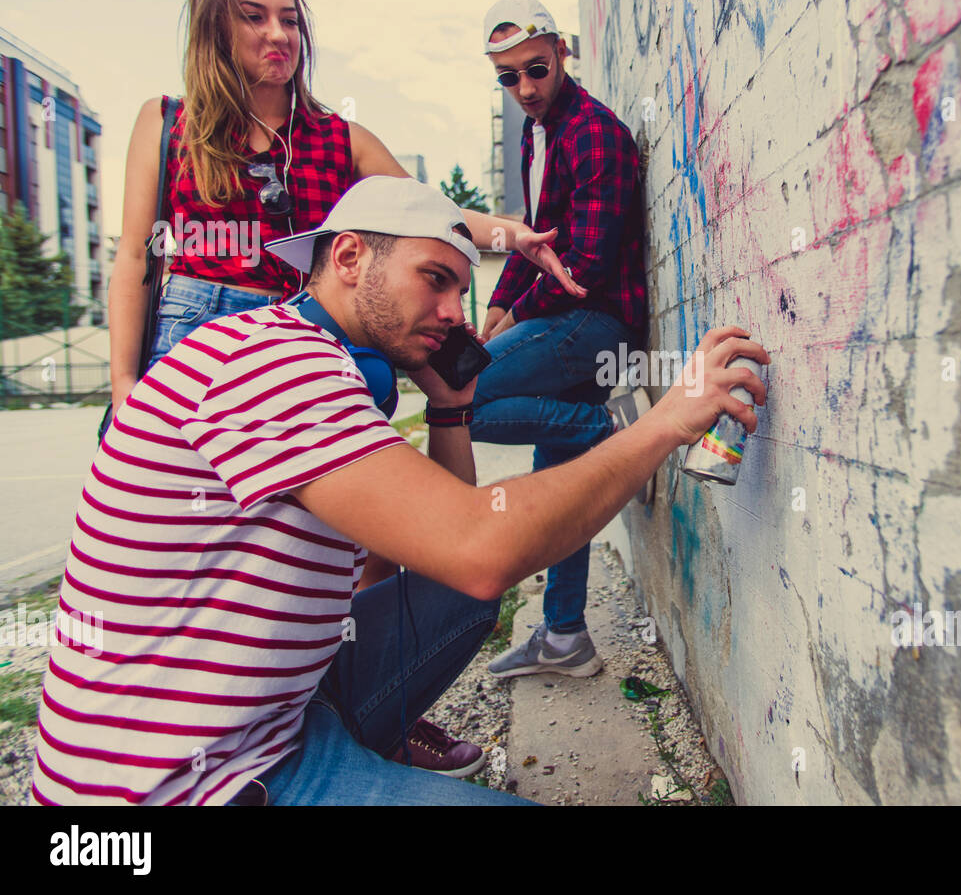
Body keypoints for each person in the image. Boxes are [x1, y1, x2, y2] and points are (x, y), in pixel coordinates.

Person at [29, 176, 768, 805]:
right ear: (349, 256)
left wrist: (450, 405)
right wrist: (662, 424)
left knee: (467, 592)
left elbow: (438, 559)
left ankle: (363, 747)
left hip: (272, 712)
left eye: (461, 287)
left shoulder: (300, 351)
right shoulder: (278, 366)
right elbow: (480, 546)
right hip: (182, 782)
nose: (455, 311)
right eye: (435, 279)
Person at [104, 0, 575, 775]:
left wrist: (514, 234)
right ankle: (218, 733)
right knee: (227, 570)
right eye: (254, 17)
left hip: (313, 334)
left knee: (368, 540)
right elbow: (133, 257)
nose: (276, 33)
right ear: (216, 27)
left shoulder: (336, 137)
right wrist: (124, 387)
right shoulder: (167, 120)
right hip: (195, 338)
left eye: (289, 18)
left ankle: (372, 709)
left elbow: (428, 213)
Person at [473, 0, 652, 681]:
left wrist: (519, 315)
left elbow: (586, 267)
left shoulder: (595, 135)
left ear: (562, 54)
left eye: (536, 69)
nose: (525, 88)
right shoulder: (536, 130)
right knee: (560, 482)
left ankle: (606, 428)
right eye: (508, 78)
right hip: (566, 316)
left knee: (457, 395)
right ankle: (565, 634)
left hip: (596, 318)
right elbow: (533, 233)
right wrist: (498, 302)